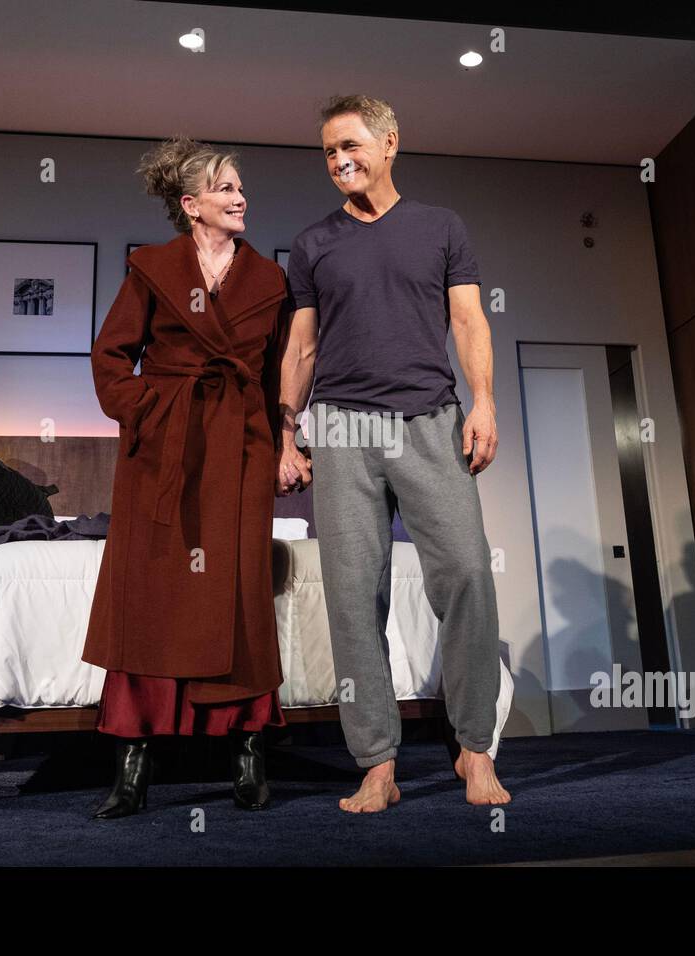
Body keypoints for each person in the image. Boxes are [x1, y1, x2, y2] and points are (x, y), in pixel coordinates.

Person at [276, 95, 511, 812]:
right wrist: (286, 430)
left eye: (349, 144)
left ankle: (475, 751)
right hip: (342, 427)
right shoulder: (314, 244)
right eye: (327, 150)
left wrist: (485, 401)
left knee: (468, 571)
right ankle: (376, 763)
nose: (338, 159)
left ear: (388, 144)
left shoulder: (440, 227)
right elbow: (302, 346)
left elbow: (468, 318)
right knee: (353, 595)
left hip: (428, 419)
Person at [83, 137, 293, 818]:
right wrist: (148, 408)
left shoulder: (270, 280)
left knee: (238, 595)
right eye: (226, 188)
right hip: (165, 450)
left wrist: (286, 441)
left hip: (242, 449)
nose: (240, 198)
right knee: (151, 595)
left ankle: (249, 751)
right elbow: (112, 355)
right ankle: (132, 765)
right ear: (191, 204)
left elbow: (274, 375)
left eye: (242, 188)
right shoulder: (153, 269)